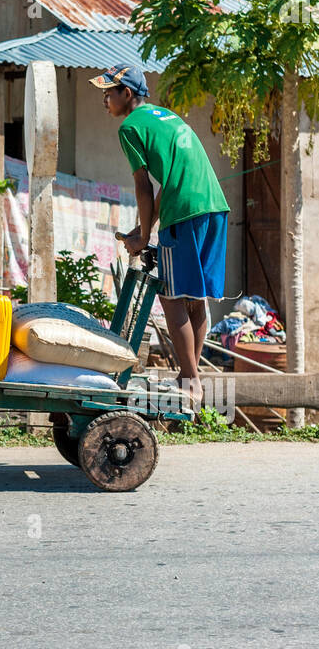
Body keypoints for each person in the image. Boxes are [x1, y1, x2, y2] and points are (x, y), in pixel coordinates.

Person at [90, 64, 230, 408]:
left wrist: (141, 239)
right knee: (194, 298)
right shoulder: (166, 116)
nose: (105, 99)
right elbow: (170, 180)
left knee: (170, 298)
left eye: (109, 92)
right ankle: (191, 379)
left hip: (182, 213)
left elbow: (143, 184)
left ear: (127, 94)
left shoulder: (130, 127)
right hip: (214, 207)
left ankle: (190, 379)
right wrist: (144, 229)